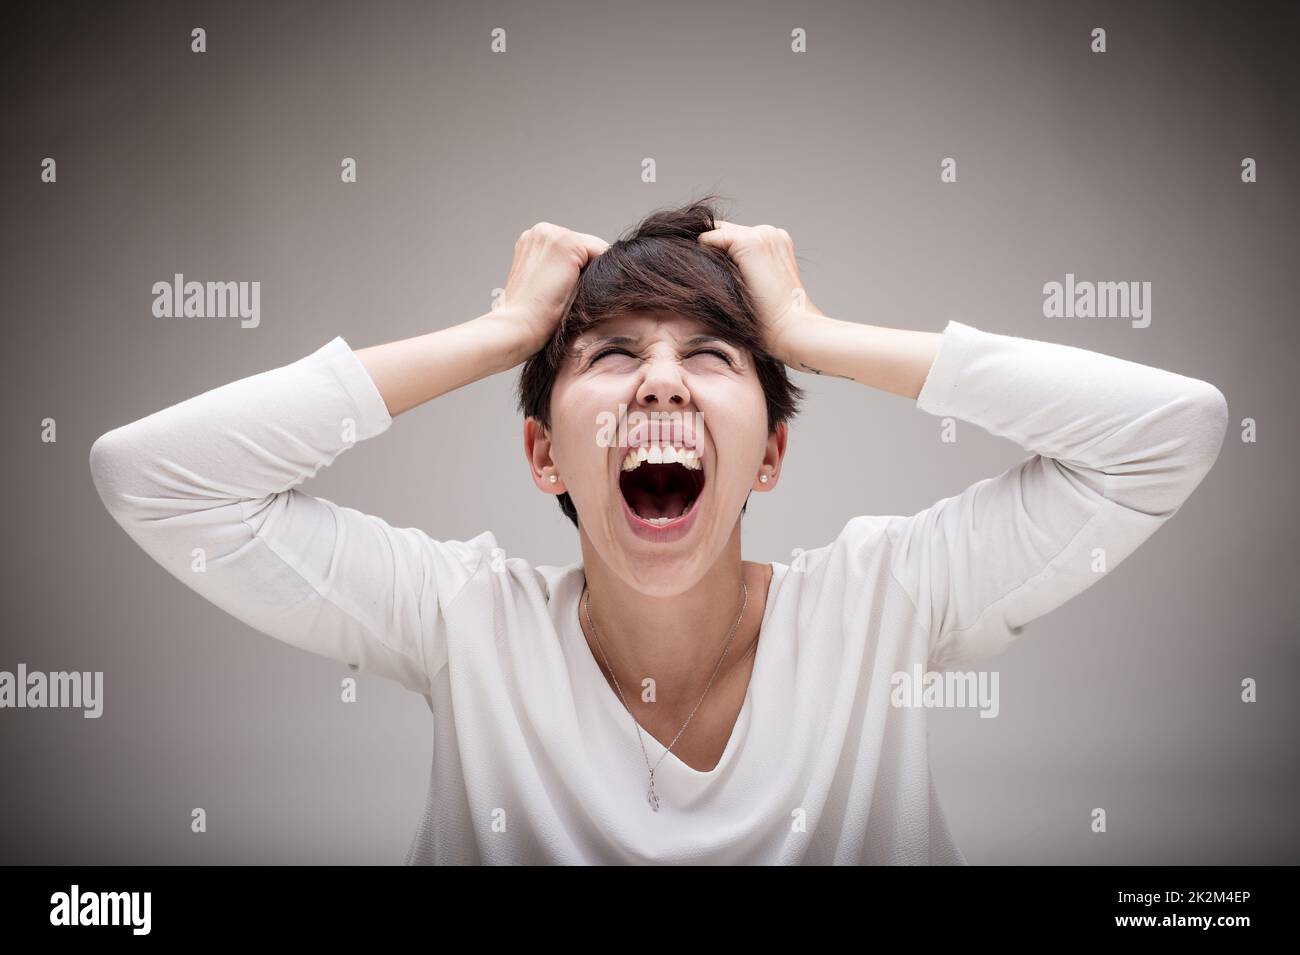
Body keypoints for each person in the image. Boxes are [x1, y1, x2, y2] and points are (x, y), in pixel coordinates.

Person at [88, 197, 1229, 864]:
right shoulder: (460, 621)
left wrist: (812, 333)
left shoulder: (890, 601)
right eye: (616, 354)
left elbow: (1171, 432)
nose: (661, 388)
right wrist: (498, 333)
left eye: (712, 357)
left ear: (770, 454)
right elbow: (152, 479)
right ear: (545, 454)